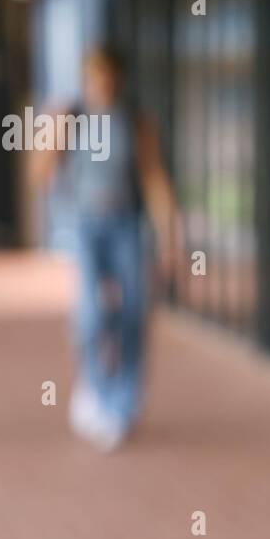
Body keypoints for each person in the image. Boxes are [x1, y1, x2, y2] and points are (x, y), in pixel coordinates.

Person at [32, 45, 178, 450]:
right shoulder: (70, 115)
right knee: (93, 314)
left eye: (110, 75)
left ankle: (123, 404)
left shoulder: (133, 120)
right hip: (84, 224)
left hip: (126, 222)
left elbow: (152, 177)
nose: (104, 83)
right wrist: (51, 136)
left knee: (133, 311)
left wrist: (169, 232)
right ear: (85, 78)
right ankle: (94, 389)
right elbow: (39, 176)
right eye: (96, 76)